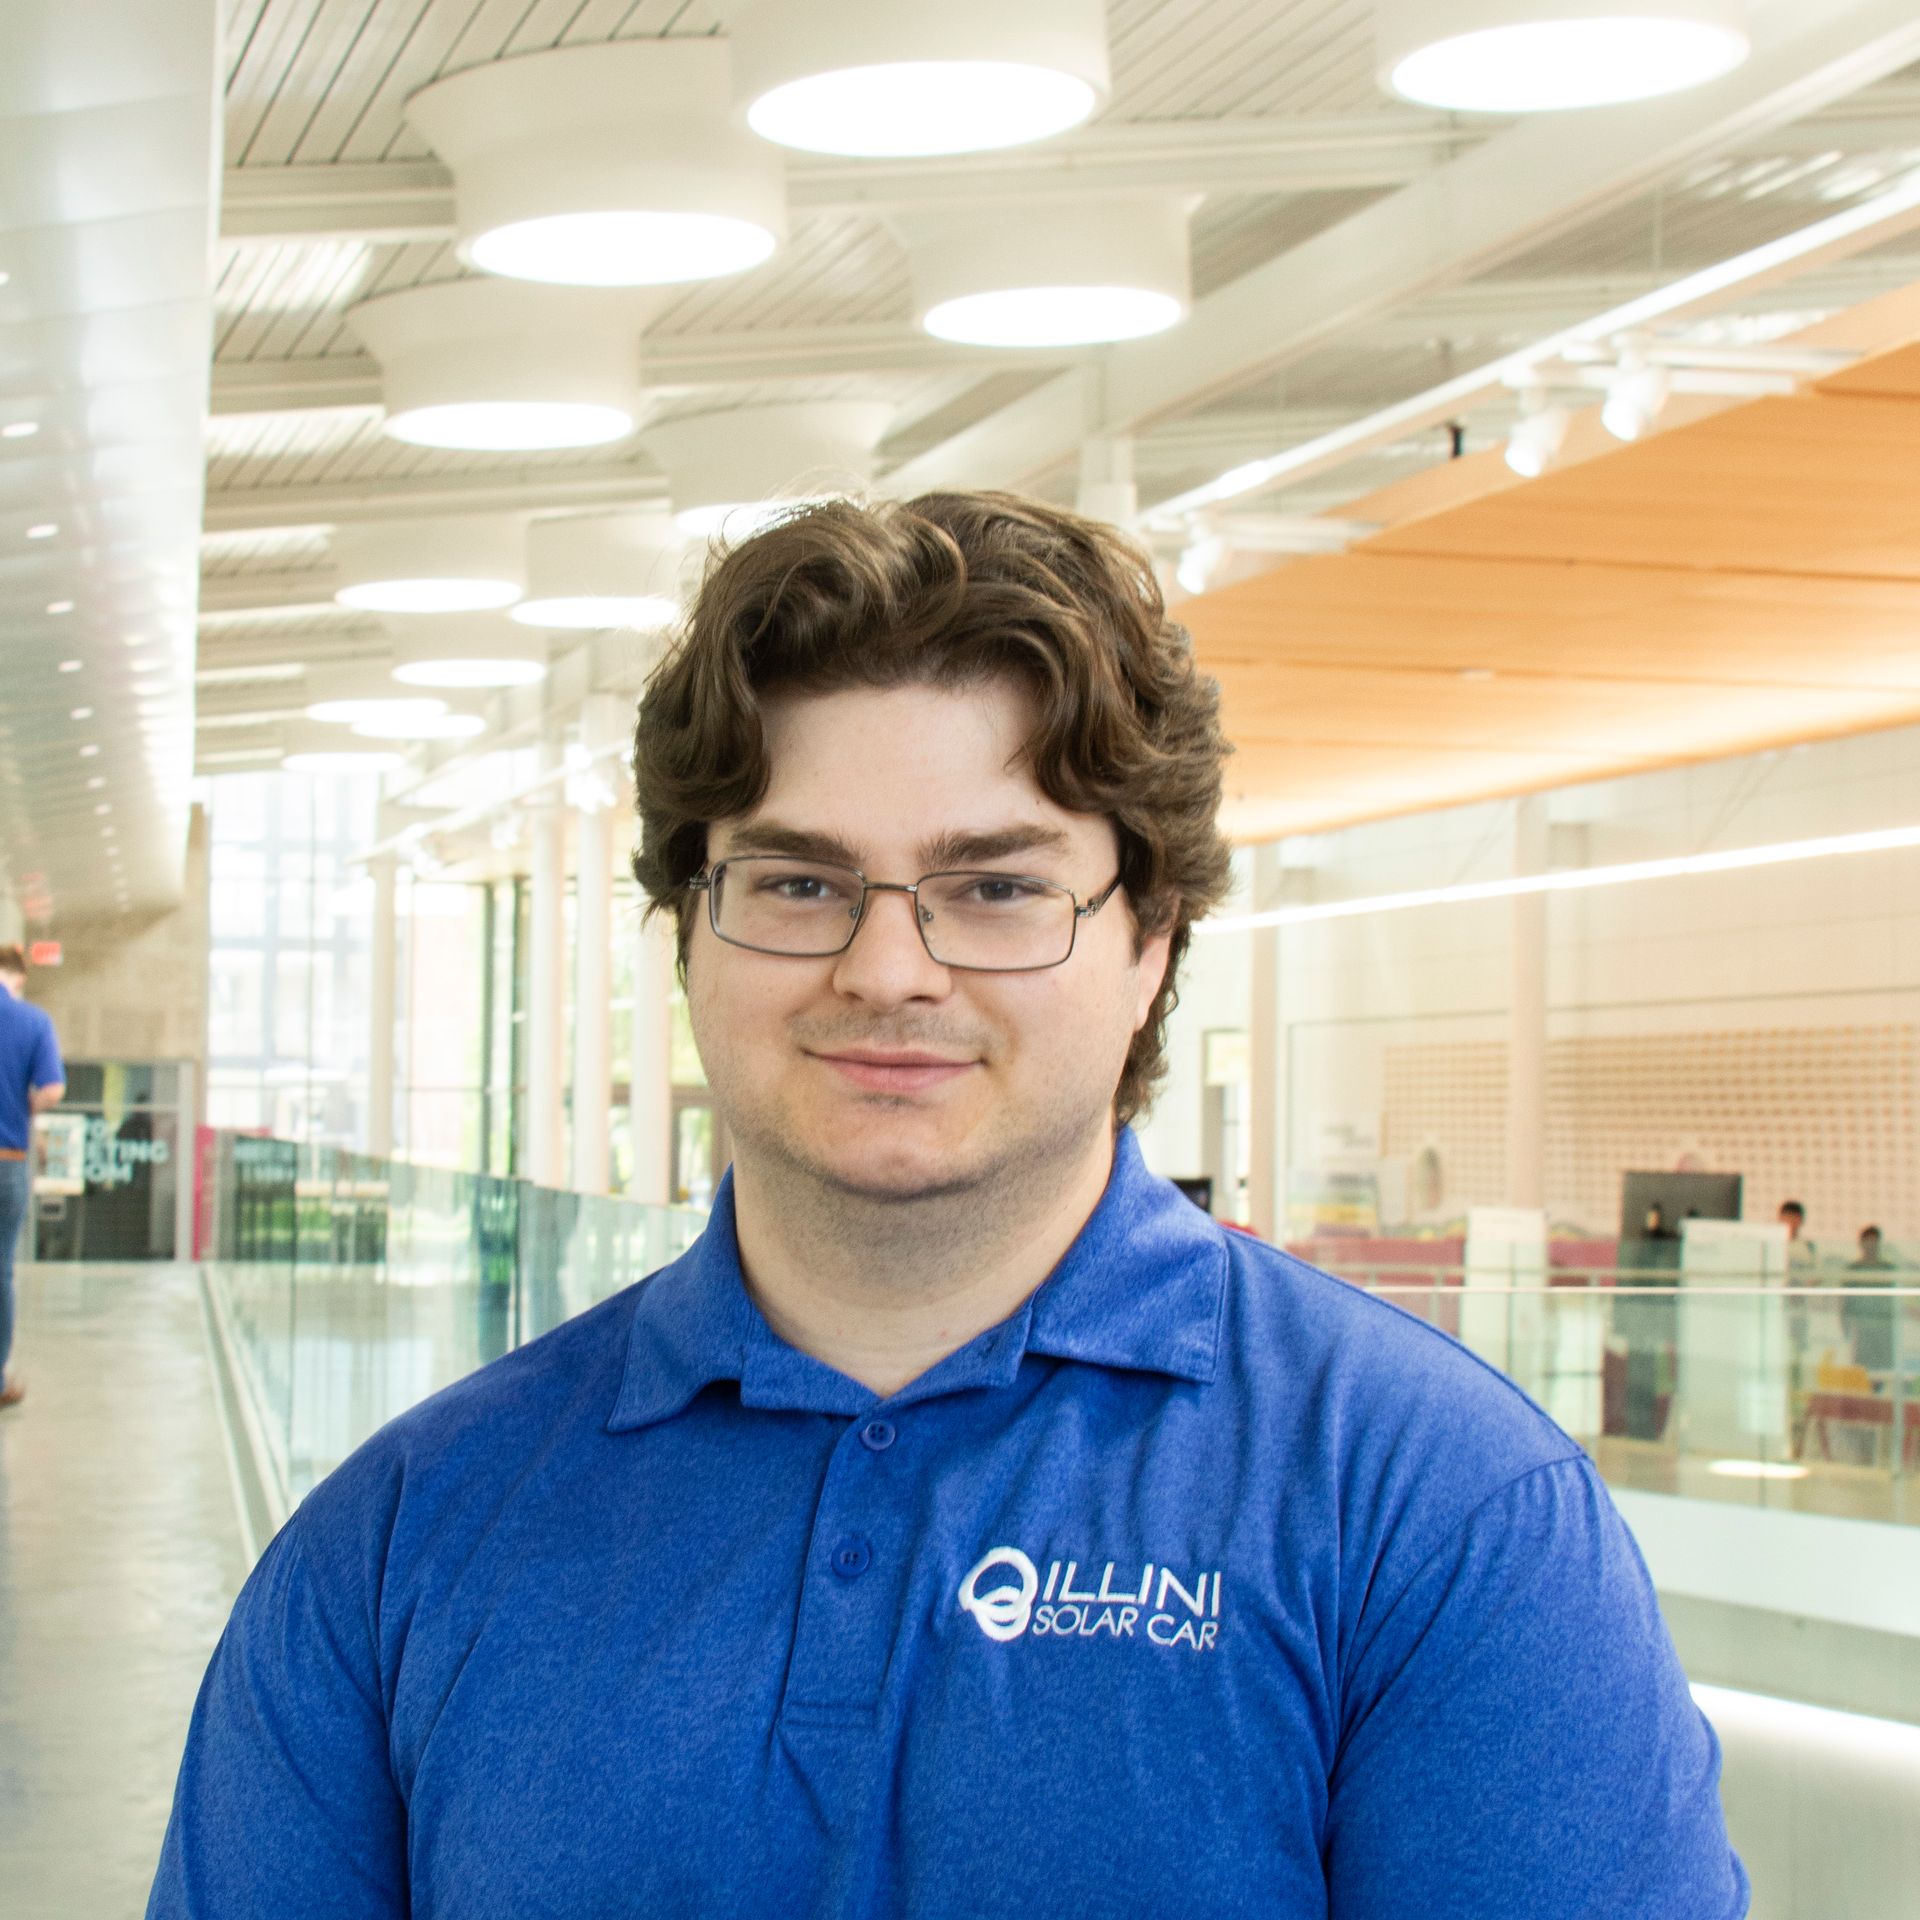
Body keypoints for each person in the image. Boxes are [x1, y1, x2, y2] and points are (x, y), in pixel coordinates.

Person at [149, 494, 1746, 1917]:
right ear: (687, 929)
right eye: (798, 881)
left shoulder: (1438, 1516)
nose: (889, 968)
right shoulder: (401, 1542)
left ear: (1151, 942)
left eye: (995, 887)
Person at [0, 942, 64, 1408]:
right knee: (1, 1269)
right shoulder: (32, 1021)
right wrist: (27, 1107)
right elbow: (53, 1089)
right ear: (17, 977)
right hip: (8, 1159)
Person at [1842, 1225, 1898, 1373]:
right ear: (1861, 1244)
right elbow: (1845, 1300)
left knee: (1883, 1369)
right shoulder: (1853, 1269)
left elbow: (1895, 1300)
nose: (1871, 1246)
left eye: (1875, 1242)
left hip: (1884, 1326)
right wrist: (1844, 1325)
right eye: (1868, 1242)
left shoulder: (1888, 1269)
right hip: (1861, 1327)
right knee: (1861, 1369)